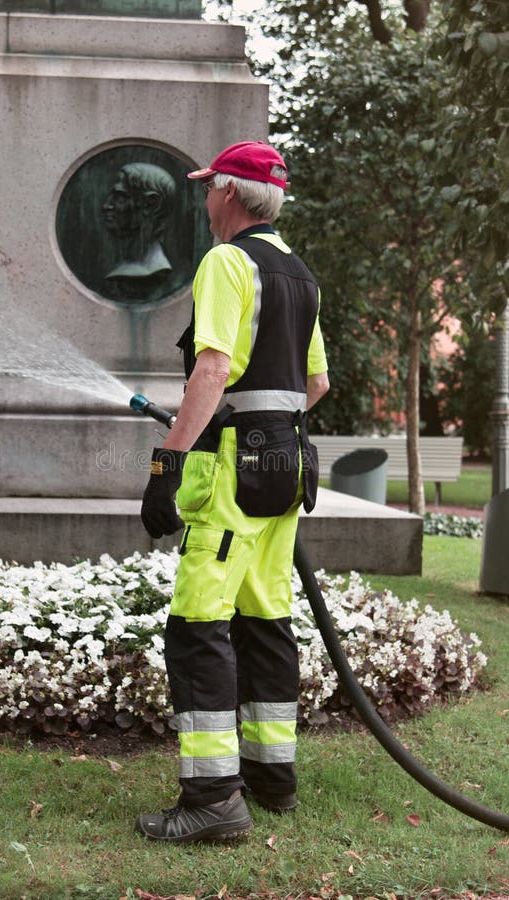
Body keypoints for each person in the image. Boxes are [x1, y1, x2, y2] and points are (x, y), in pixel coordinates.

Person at [136, 140, 330, 843]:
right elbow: (315, 385)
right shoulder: (300, 275)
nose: (203, 200)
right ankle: (271, 779)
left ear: (229, 194)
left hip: (231, 476)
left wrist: (169, 460)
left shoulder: (228, 261)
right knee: (266, 618)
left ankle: (214, 799)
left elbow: (213, 367)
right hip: (286, 470)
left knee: (198, 626)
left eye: (207, 189)